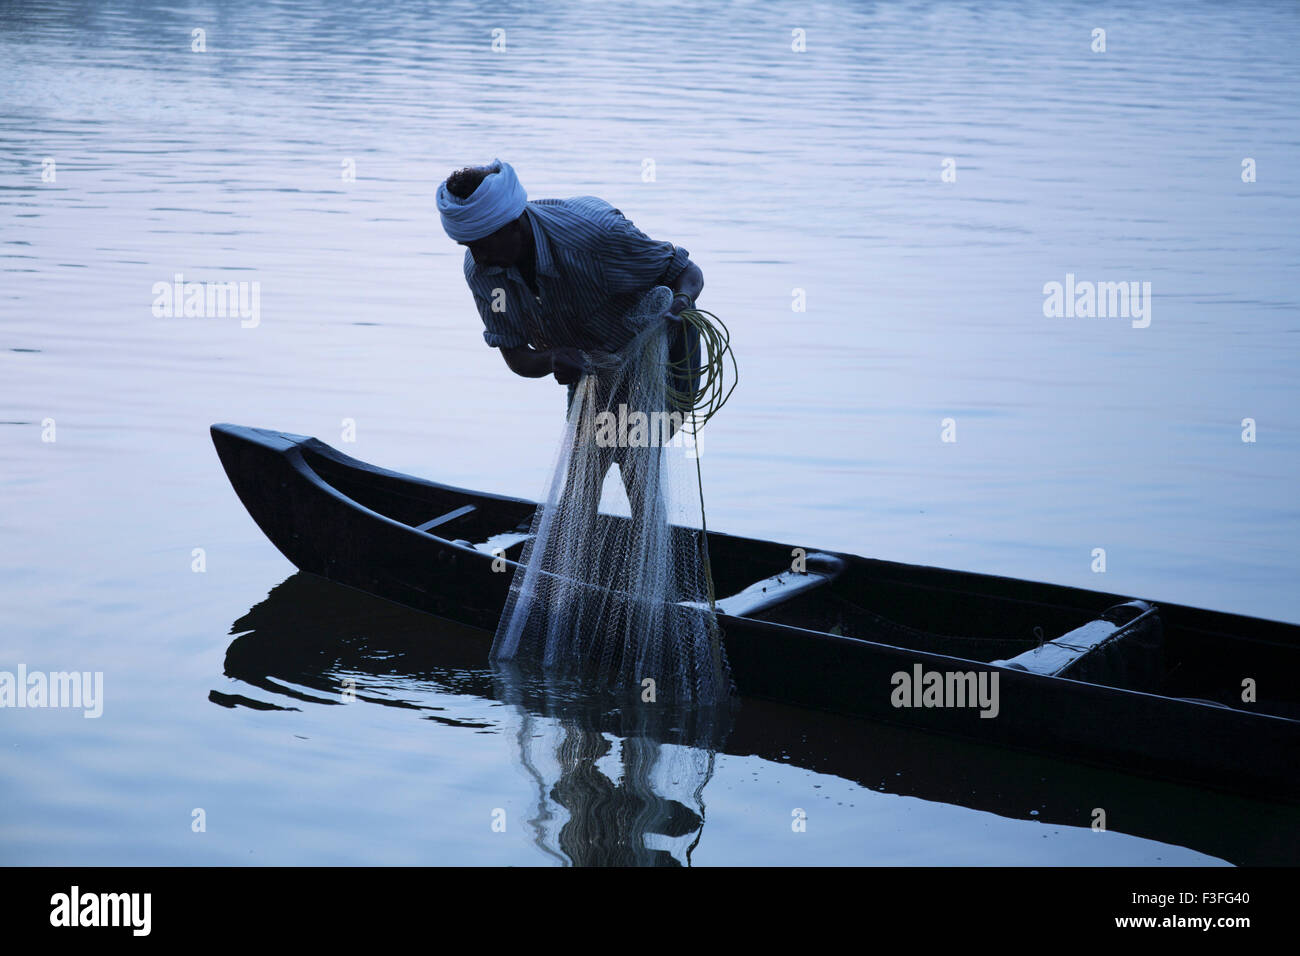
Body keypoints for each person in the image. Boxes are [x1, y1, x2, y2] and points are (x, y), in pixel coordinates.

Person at [437, 158, 703, 511]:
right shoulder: (483, 272)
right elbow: (515, 354)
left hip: (662, 358)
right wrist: (550, 358)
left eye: (484, 244)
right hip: (595, 363)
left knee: (634, 457)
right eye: (468, 247)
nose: (479, 258)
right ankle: (580, 556)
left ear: (516, 224)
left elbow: (686, 272)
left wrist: (680, 302)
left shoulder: (595, 239)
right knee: (585, 472)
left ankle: (646, 554)